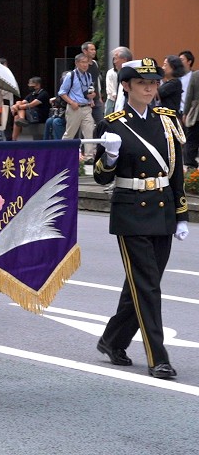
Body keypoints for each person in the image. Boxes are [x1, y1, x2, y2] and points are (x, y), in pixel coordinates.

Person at [92, 58, 188, 379]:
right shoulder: (112, 124)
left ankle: (112, 339)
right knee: (147, 286)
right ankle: (158, 357)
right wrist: (111, 156)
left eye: (154, 82)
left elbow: (175, 172)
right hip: (131, 209)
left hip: (161, 208)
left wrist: (182, 213)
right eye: (142, 83)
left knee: (145, 283)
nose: (149, 88)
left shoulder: (167, 120)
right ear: (126, 86)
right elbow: (101, 177)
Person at [59, 53, 98, 158]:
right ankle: (62, 154)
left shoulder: (88, 76)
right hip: (74, 108)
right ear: (77, 63)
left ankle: (89, 156)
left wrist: (92, 96)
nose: (85, 65)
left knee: (89, 132)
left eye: (87, 63)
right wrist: (71, 102)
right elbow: (62, 92)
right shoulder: (70, 75)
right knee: (70, 133)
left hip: (86, 107)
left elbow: (88, 90)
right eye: (83, 62)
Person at [10, 76, 50, 141]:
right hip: (30, 114)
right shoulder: (32, 94)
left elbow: (31, 105)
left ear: (38, 85)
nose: (29, 85)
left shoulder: (43, 94)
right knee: (17, 117)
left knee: (21, 108)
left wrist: (16, 107)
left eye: (31, 84)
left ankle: (22, 119)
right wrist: (16, 104)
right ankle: (14, 139)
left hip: (39, 116)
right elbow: (22, 102)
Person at [106, 46, 133, 115]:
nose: (114, 62)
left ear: (124, 59)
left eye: (116, 59)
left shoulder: (132, 76)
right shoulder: (120, 74)